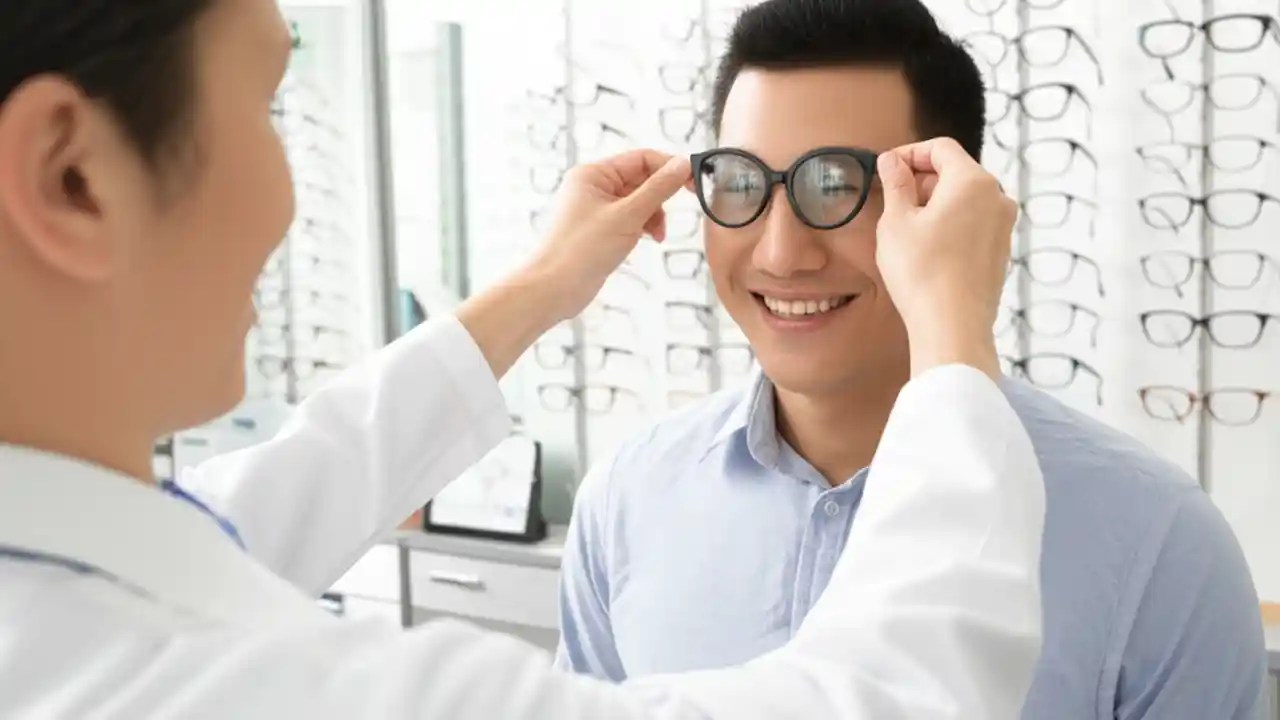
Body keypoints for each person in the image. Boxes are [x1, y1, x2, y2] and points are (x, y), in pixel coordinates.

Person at [0, 0, 1047, 716]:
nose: (291, 196)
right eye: (271, 108)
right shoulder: (226, 683)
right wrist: (954, 331)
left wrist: (539, 289)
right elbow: (900, 694)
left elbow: (245, 517)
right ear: (72, 177)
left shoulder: (73, 597)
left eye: (833, 185)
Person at [555, 1, 1269, 718]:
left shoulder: (1158, 545)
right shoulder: (625, 502)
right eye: (741, 182)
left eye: (835, 184)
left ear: (948, 202)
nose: (780, 254)